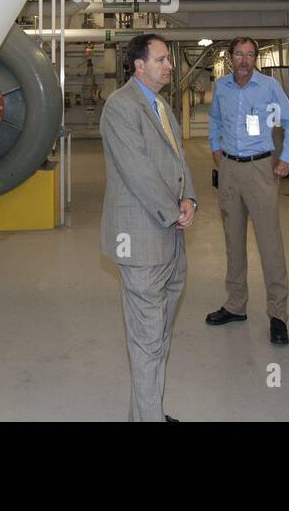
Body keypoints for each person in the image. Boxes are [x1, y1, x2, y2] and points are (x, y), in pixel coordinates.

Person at [100, 33, 198, 422]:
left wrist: (189, 197)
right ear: (139, 65)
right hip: (141, 242)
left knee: (155, 339)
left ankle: (146, 413)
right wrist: (173, 211)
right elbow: (138, 172)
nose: (169, 65)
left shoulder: (160, 105)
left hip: (170, 241)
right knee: (146, 342)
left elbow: (178, 160)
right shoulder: (120, 108)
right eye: (161, 59)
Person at [205, 36, 289, 345]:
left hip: (261, 169)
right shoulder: (221, 87)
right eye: (238, 54)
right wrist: (215, 147)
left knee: (269, 243)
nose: (244, 60)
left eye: (249, 55)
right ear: (230, 57)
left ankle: (278, 314)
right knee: (233, 240)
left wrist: (285, 157)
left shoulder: (268, 87)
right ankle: (235, 304)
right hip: (230, 169)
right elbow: (214, 119)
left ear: (255, 58)